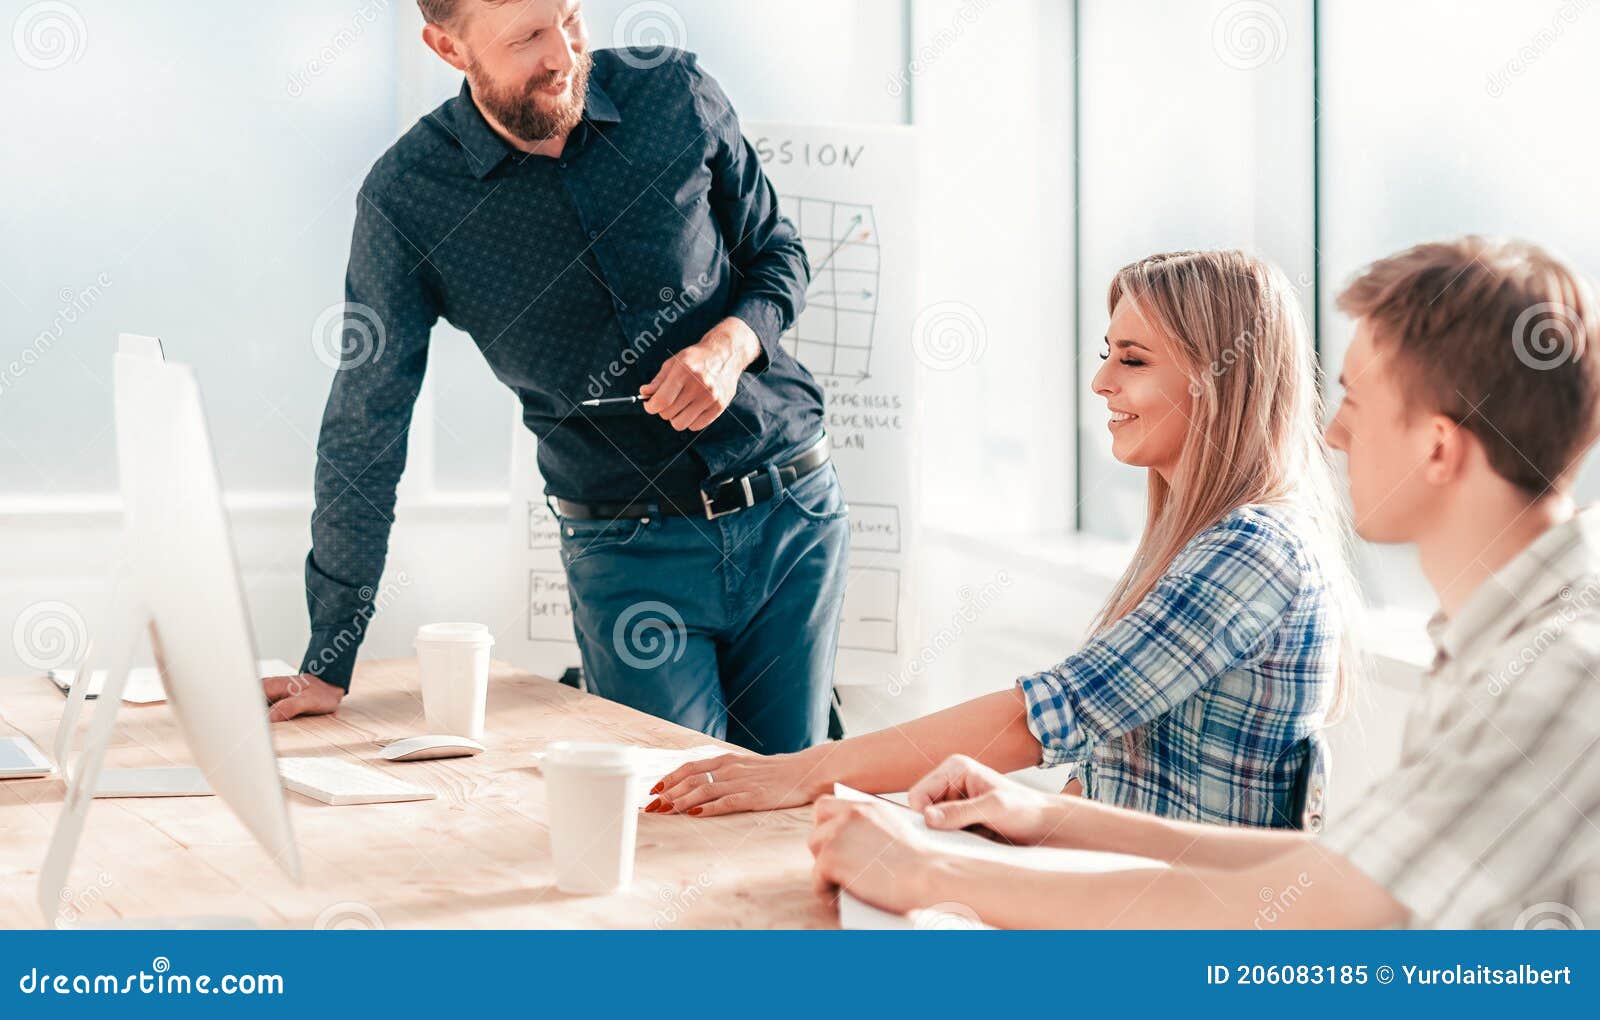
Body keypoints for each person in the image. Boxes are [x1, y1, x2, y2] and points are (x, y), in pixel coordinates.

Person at [809, 237, 1600, 929]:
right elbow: (1327, 865)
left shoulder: (1565, 673)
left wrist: (932, 874)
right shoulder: (1500, 642)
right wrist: (1043, 814)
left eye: (1357, 400)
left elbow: (1330, 908)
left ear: (1437, 448)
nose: (1333, 432)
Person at [262, 0, 850, 754]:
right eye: (527, 38)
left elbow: (777, 253)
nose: (565, 57)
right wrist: (329, 655)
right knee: (668, 797)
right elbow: (367, 419)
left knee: (790, 798)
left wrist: (731, 347)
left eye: (570, 18)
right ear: (448, 48)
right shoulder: (407, 199)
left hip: (791, 515)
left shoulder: (675, 91)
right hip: (629, 551)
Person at [653, 249, 1359, 830]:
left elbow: (1047, 717)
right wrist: (1001, 828)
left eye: (1134, 361)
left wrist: (803, 771)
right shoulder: (1210, 539)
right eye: (1107, 354)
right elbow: (1114, 770)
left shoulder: (1252, 552)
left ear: (1218, 380)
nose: (1100, 381)